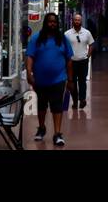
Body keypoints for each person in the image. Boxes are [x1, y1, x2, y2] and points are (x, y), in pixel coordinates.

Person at [25, 12, 74, 147]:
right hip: (40, 80)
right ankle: (41, 128)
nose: (52, 24)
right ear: (45, 23)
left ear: (57, 24)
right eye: (50, 22)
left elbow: (69, 60)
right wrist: (29, 73)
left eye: (55, 22)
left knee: (57, 106)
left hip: (59, 79)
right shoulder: (36, 39)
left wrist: (70, 80)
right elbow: (30, 56)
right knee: (41, 106)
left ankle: (57, 134)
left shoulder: (63, 39)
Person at [65, 13, 95, 110]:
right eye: (75, 20)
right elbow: (64, 46)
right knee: (72, 82)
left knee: (82, 82)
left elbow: (91, 44)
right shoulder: (67, 34)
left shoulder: (87, 33)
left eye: (79, 20)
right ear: (72, 21)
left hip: (83, 61)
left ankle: (82, 100)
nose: (77, 21)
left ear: (81, 21)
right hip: (71, 62)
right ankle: (74, 101)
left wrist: (88, 54)